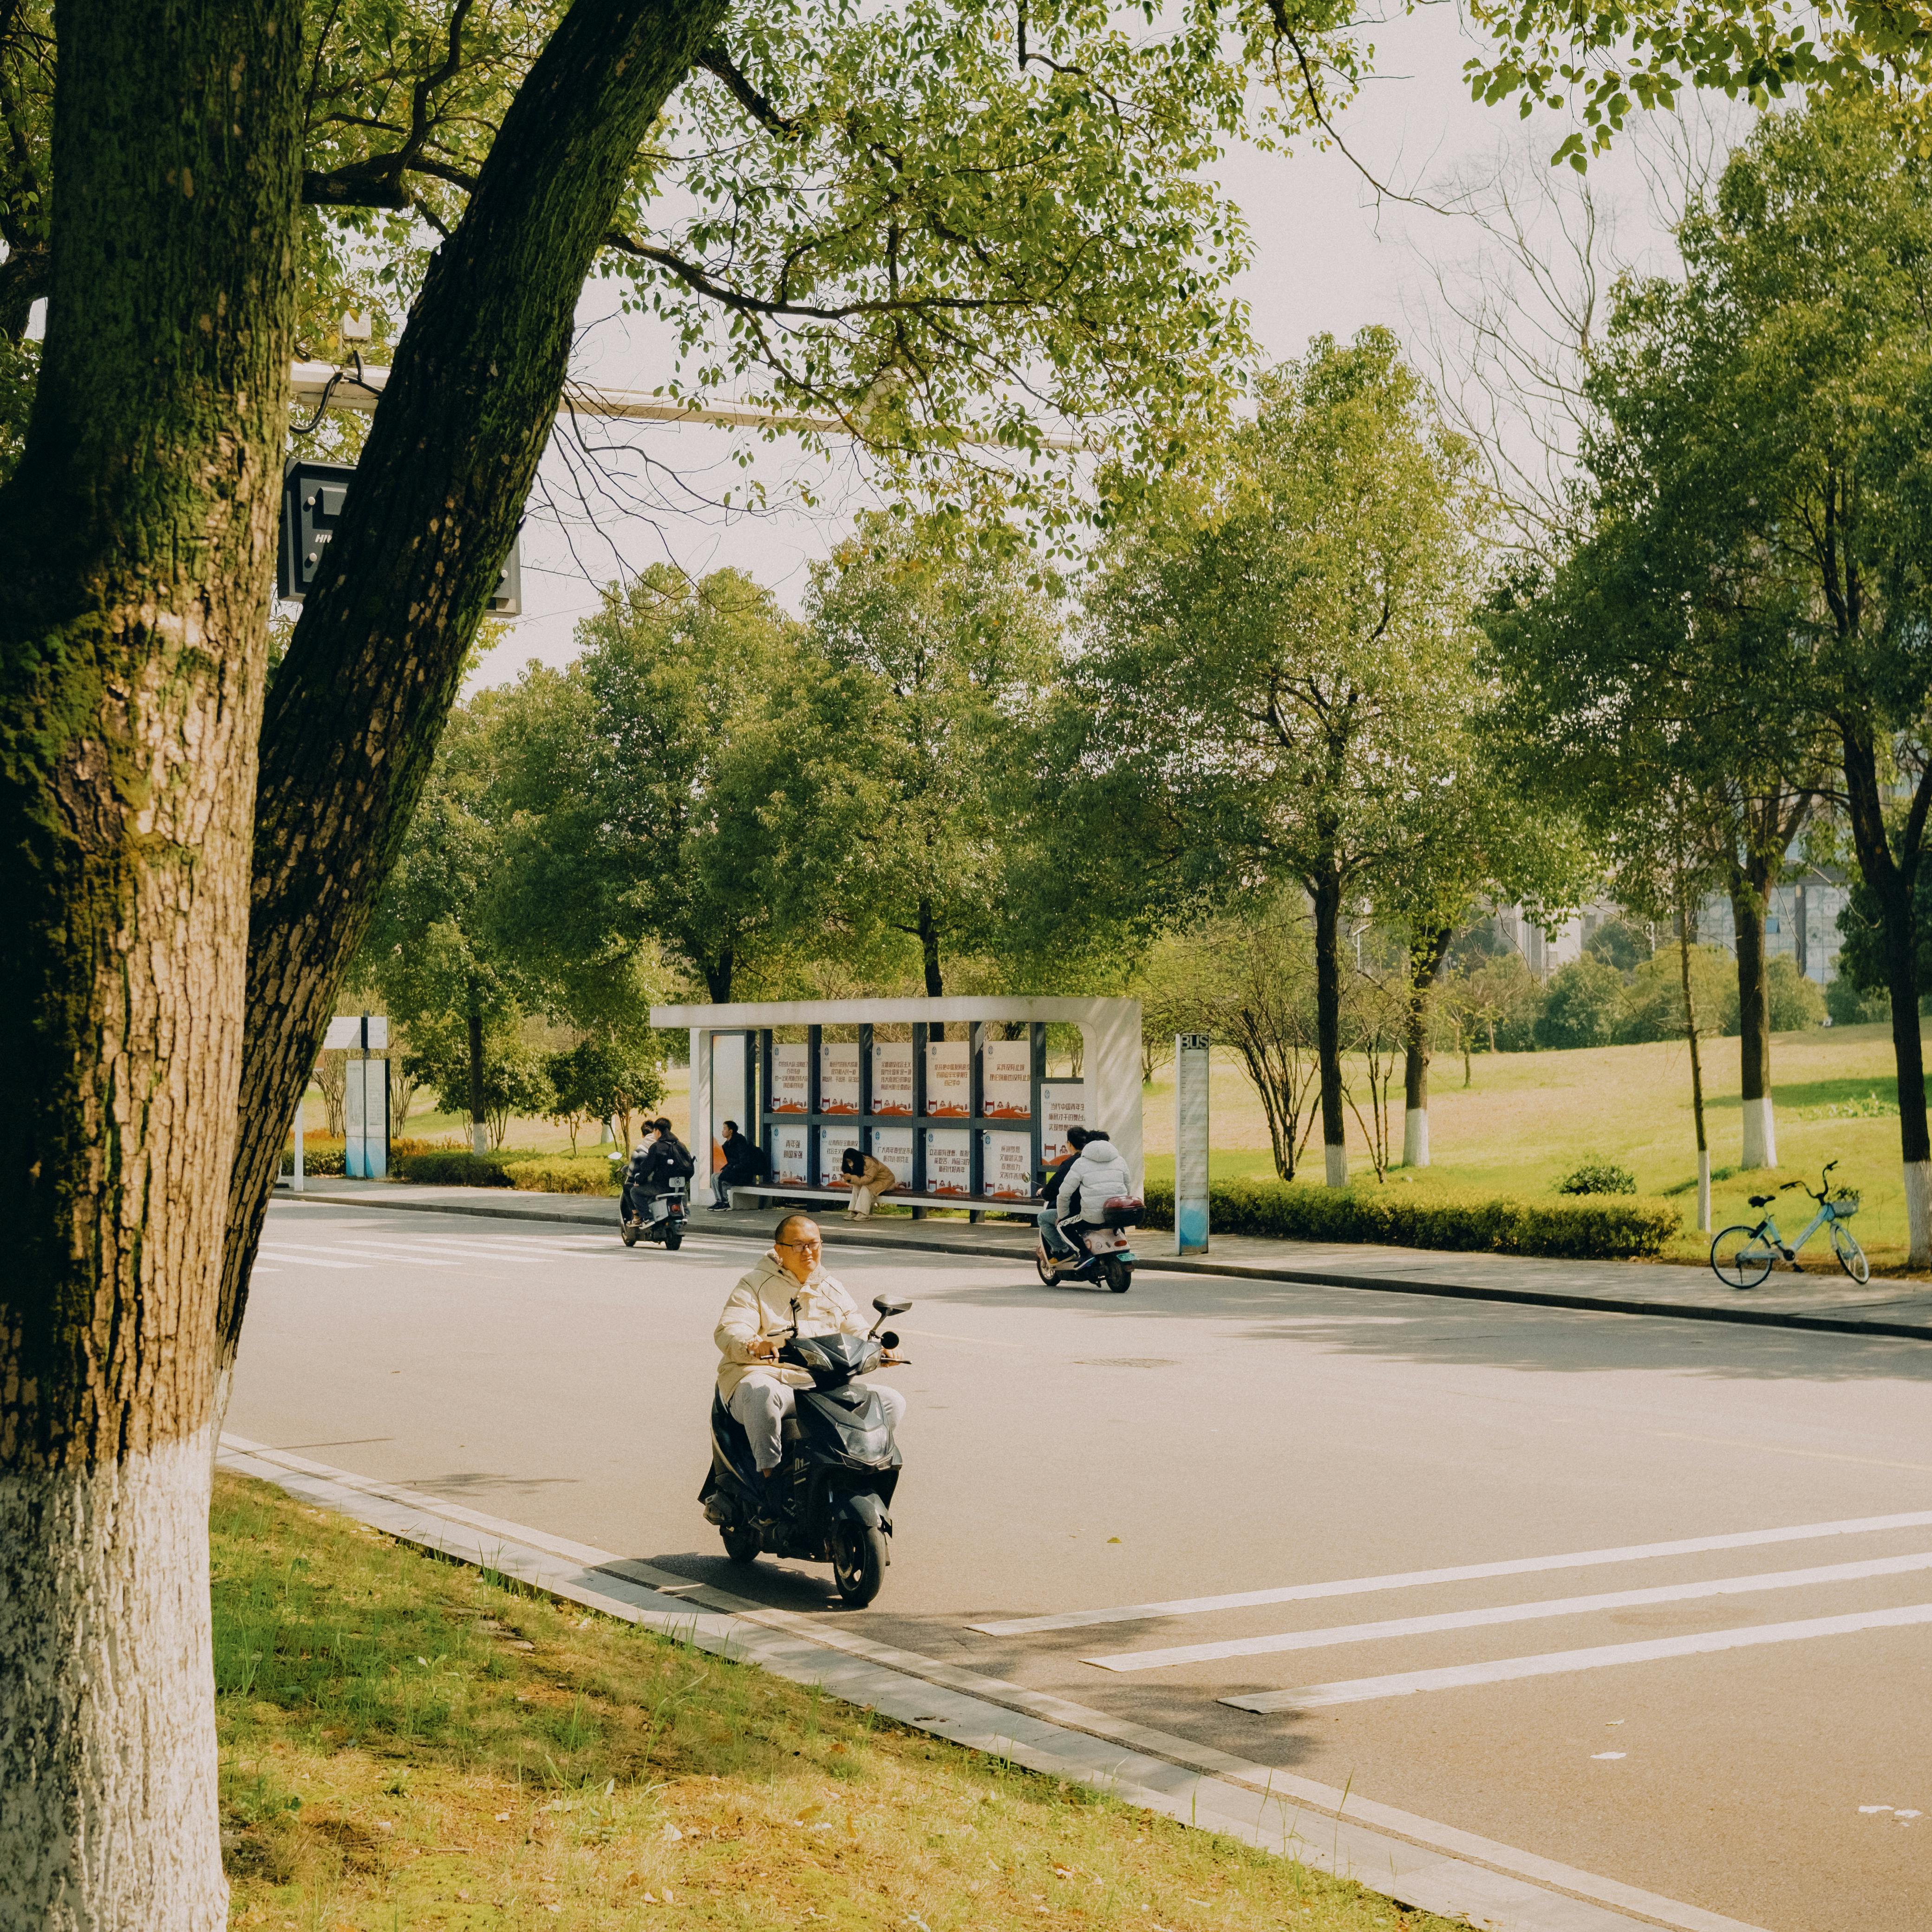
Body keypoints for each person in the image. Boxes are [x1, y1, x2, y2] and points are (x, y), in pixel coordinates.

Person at [713, 1214, 906, 1514]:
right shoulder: (754, 1284)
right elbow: (731, 1327)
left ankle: (856, 1468)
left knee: (890, 1402)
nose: (808, 1252)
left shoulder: (829, 1285)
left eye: (814, 1244)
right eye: (798, 1245)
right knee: (763, 1391)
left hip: (821, 1383)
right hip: (768, 1376)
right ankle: (770, 1480)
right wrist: (753, 1344)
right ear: (779, 1249)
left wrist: (877, 1348)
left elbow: (855, 1325)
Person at [1054, 1127, 1134, 1260]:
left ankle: (1085, 1253)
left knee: (1062, 1226)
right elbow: (1128, 1187)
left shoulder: (1080, 1163)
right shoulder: (1120, 1161)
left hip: (1091, 1218)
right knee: (1116, 1226)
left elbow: (1064, 1194)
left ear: (1088, 1144)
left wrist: (1063, 1215)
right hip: (1117, 1216)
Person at [1037, 1126, 1090, 1263]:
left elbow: (1055, 1188)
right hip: (1101, 1208)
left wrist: (1044, 1192)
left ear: (1070, 1144)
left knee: (1044, 1218)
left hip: (1078, 1211)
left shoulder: (1071, 1164)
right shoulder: (1094, 1161)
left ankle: (1063, 1251)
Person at [628, 1116, 696, 1221]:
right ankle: (685, 1213)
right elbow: (690, 1167)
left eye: (654, 1131)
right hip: (680, 1187)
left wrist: (639, 1180)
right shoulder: (681, 1145)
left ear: (657, 1131)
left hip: (661, 1187)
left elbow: (647, 1168)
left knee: (634, 1192)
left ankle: (647, 1218)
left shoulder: (657, 1147)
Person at [841, 1143, 899, 1220]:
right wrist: (848, 1178)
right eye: (848, 1161)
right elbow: (859, 1179)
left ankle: (863, 1214)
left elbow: (868, 1179)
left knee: (867, 1188)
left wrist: (851, 1178)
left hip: (885, 1181)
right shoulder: (858, 1162)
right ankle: (854, 1212)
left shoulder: (869, 1162)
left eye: (850, 1161)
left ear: (855, 1158)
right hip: (874, 1181)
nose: (850, 1164)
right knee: (856, 1186)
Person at [714, 1119, 762, 1210]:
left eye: (725, 1129)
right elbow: (731, 1161)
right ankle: (719, 1201)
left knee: (719, 1179)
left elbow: (744, 1162)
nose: (722, 1131)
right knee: (714, 1177)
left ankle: (725, 1203)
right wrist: (727, 1168)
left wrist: (732, 1168)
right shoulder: (726, 1145)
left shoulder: (740, 1141)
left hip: (743, 1174)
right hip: (735, 1171)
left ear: (731, 1131)